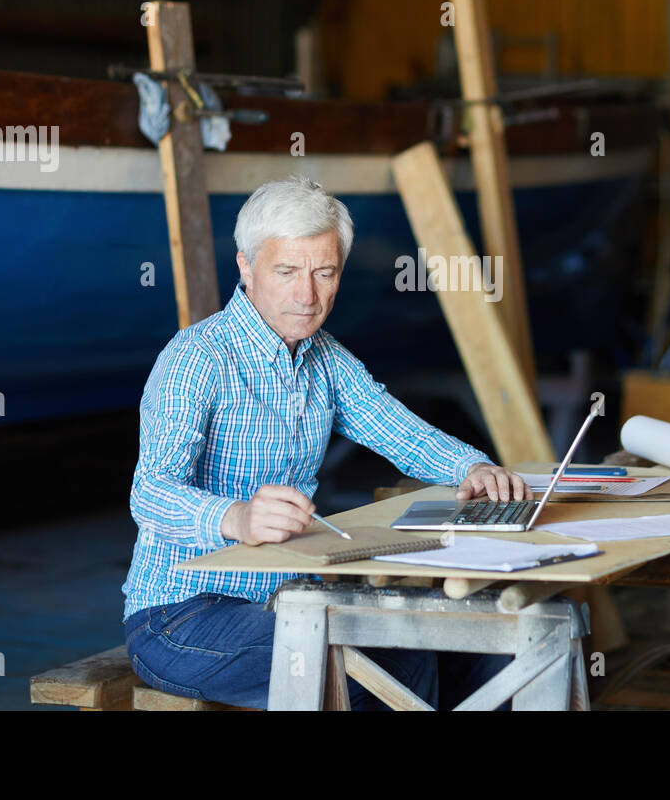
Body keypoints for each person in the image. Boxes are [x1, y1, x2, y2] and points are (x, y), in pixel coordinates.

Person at [121, 173, 531, 709]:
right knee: (383, 665)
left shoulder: (326, 356)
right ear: (246, 267)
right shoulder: (197, 358)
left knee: (488, 650)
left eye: (324, 272)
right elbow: (148, 494)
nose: (307, 295)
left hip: (288, 598)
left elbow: (401, 431)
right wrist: (236, 518)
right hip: (180, 617)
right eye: (287, 271)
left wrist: (472, 467)